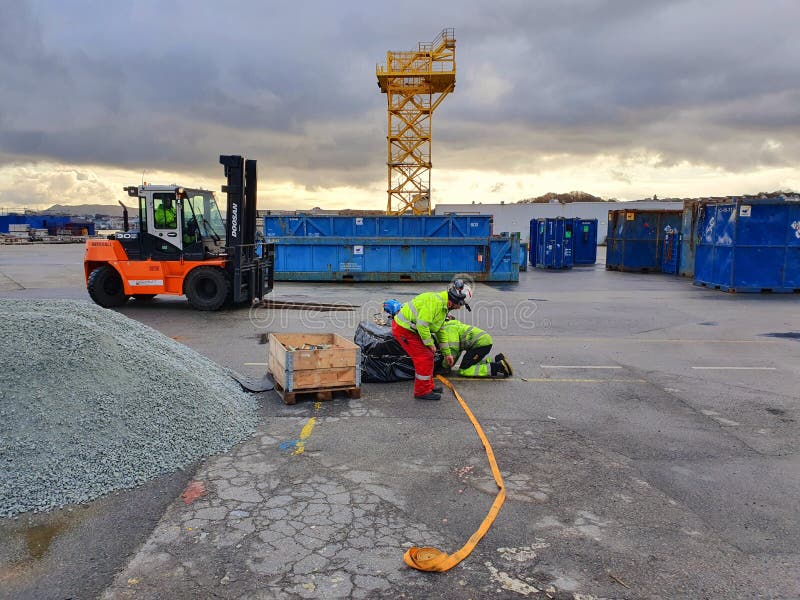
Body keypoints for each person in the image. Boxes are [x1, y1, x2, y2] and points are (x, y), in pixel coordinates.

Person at [392, 279, 472, 400]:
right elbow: (422, 325)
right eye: (460, 305)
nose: (459, 308)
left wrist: (447, 354)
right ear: (454, 300)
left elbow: (441, 330)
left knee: (429, 355)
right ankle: (422, 391)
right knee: (424, 357)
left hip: (412, 329)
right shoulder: (435, 303)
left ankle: (428, 386)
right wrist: (430, 344)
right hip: (403, 329)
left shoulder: (444, 306)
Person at [434, 318, 512, 378]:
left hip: (480, 344)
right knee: (469, 362)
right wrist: (450, 364)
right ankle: (497, 359)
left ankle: (498, 367)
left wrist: (444, 367)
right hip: (483, 341)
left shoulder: (447, 331)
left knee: (464, 370)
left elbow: (453, 351)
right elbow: (456, 352)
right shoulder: (449, 325)